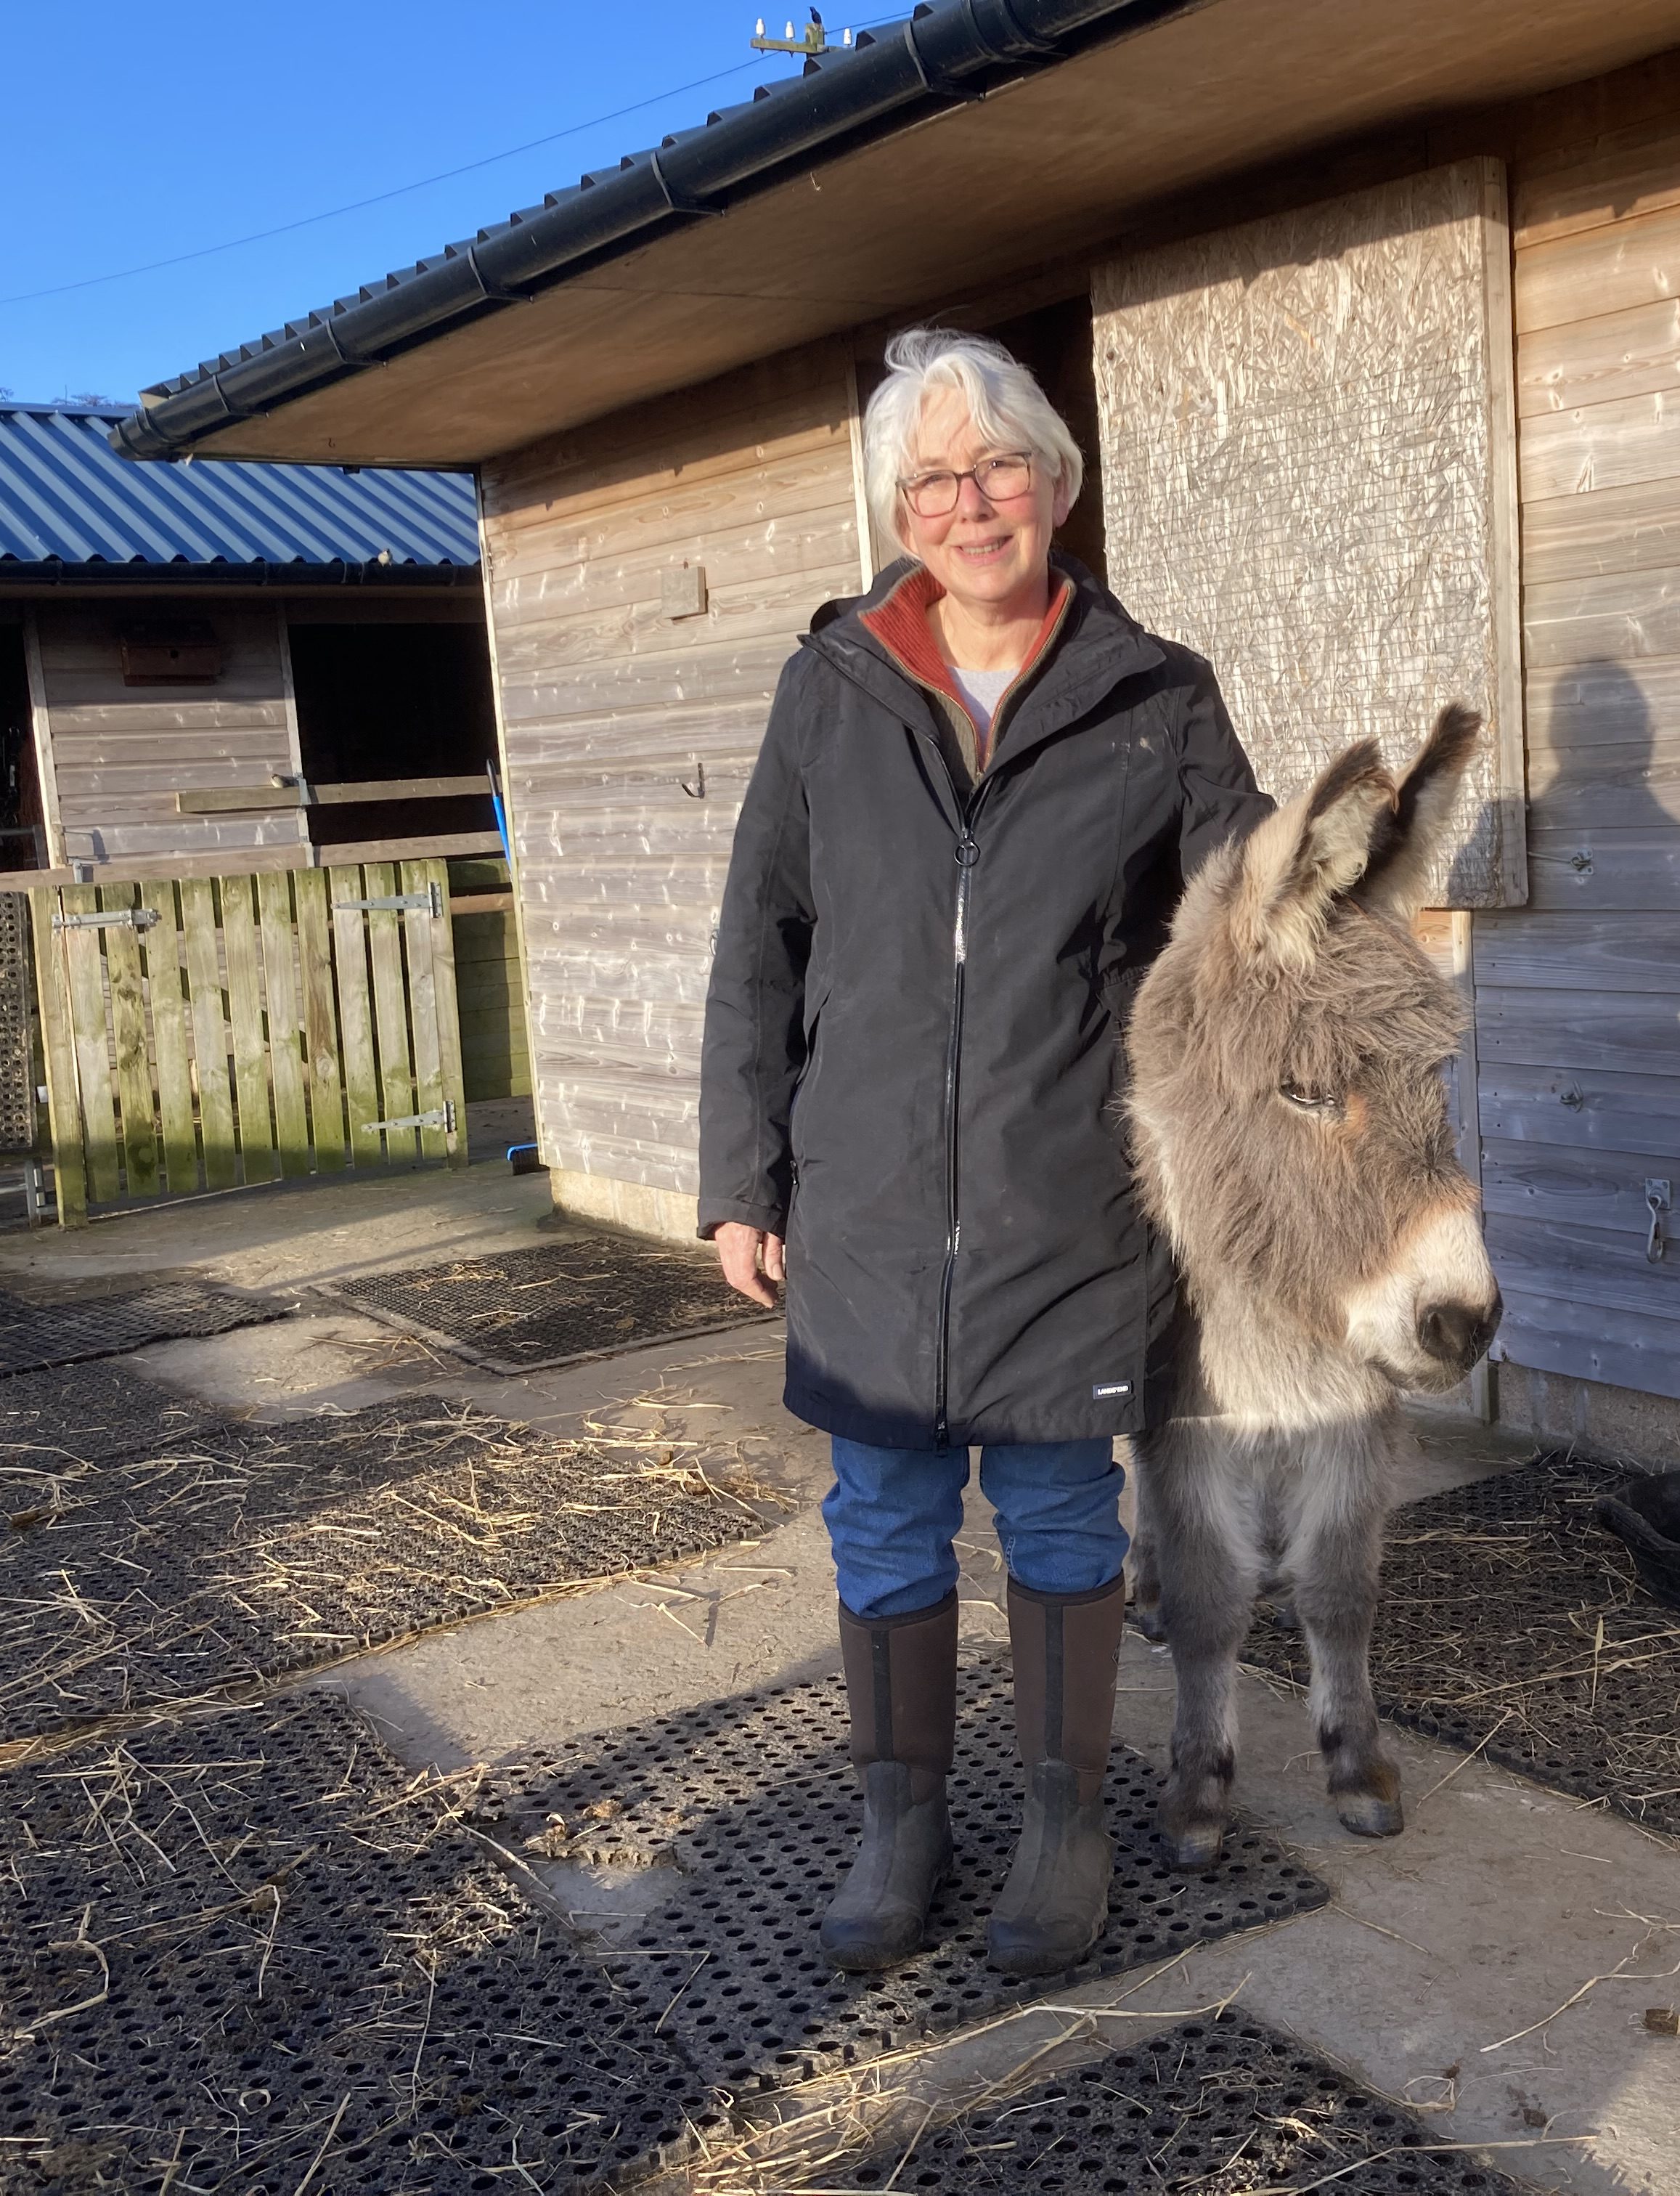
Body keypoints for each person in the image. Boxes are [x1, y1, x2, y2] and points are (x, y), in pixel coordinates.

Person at [698, 328, 1268, 1977]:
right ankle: (900, 1823)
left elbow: (1247, 939)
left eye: (999, 466)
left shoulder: (1159, 696)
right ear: (898, 506)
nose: (971, 503)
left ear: (1059, 485)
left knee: (1061, 1520)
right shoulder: (833, 688)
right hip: (864, 1196)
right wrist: (744, 1175)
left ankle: (1065, 1825)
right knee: (880, 1515)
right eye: (934, 478)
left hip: (1066, 1203)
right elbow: (763, 940)